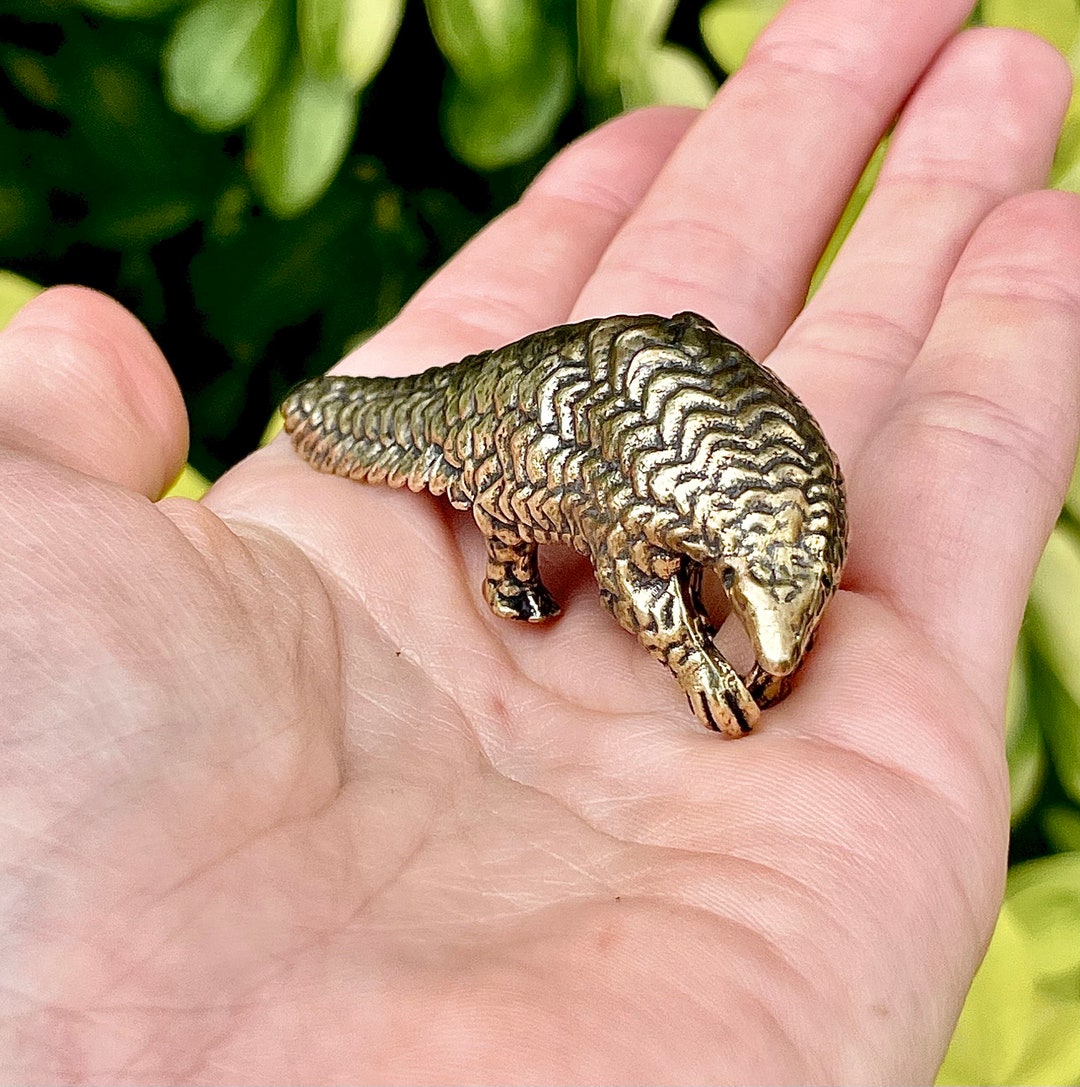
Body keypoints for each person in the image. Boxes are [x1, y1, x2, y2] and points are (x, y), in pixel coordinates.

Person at [3, 0, 1079, 1079]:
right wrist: (693, 658)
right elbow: (630, 565)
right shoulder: (646, 510)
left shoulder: (788, 491)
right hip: (538, 421)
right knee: (520, 500)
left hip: (642, 418)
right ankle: (511, 566)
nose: (779, 639)